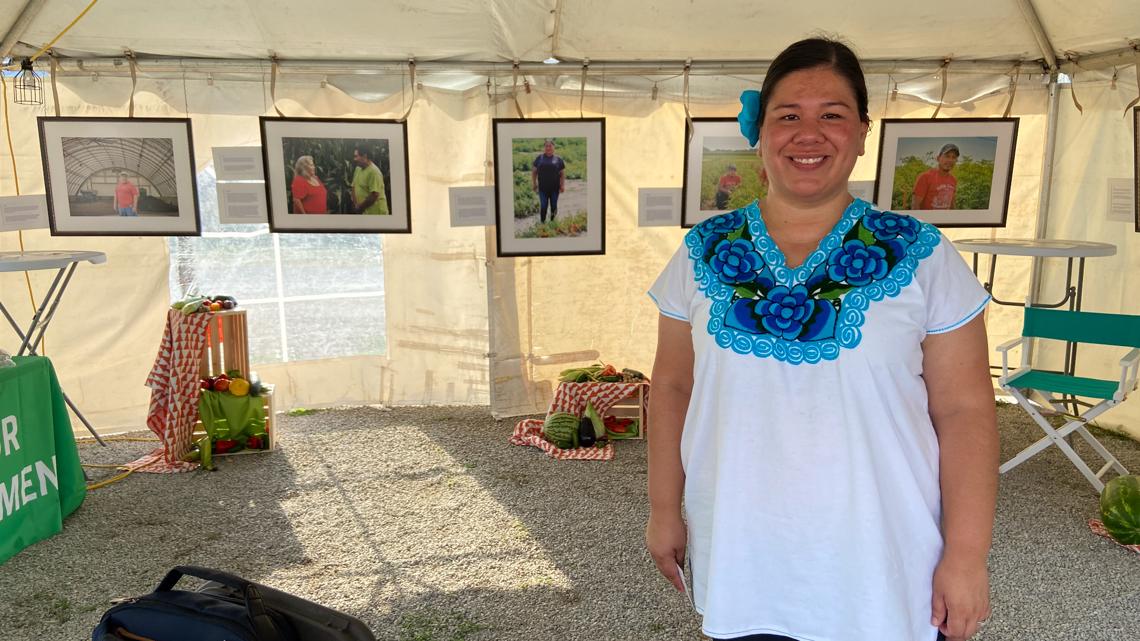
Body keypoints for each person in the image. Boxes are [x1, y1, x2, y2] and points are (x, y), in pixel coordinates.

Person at [645, 38, 997, 641]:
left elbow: (965, 410)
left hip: (886, 568)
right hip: (745, 562)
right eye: (788, 115)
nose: (808, 134)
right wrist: (661, 510)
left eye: (832, 114)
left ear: (862, 131)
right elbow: (674, 386)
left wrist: (966, 555)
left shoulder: (922, 254)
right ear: (760, 132)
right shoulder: (704, 251)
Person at [911, 143, 960, 210]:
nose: (950, 160)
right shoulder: (925, 177)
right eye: (947, 156)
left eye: (954, 157)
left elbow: (952, 204)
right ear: (938, 158)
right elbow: (915, 206)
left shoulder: (953, 180)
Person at [531, 139, 565, 223]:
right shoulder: (539, 158)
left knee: (554, 206)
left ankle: (553, 223)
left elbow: (562, 174)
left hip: (555, 188)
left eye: (550, 146)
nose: (548, 148)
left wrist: (562, 185)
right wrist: (534, 184)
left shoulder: (558, 159)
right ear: (544, 147)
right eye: (546, 146)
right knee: (543, 206)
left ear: (553, 147)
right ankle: (542, 224)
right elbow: (534, 172)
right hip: (543, 188)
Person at [350, 145, 390, 215]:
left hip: (376, 213)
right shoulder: (358, 169)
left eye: (356, 156)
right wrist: (356, 204)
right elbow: (353, 186)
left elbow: (374, 195)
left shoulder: (374, 172)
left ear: (364, 156)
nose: (354, 159)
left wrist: (360, 208)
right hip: (363, 212)